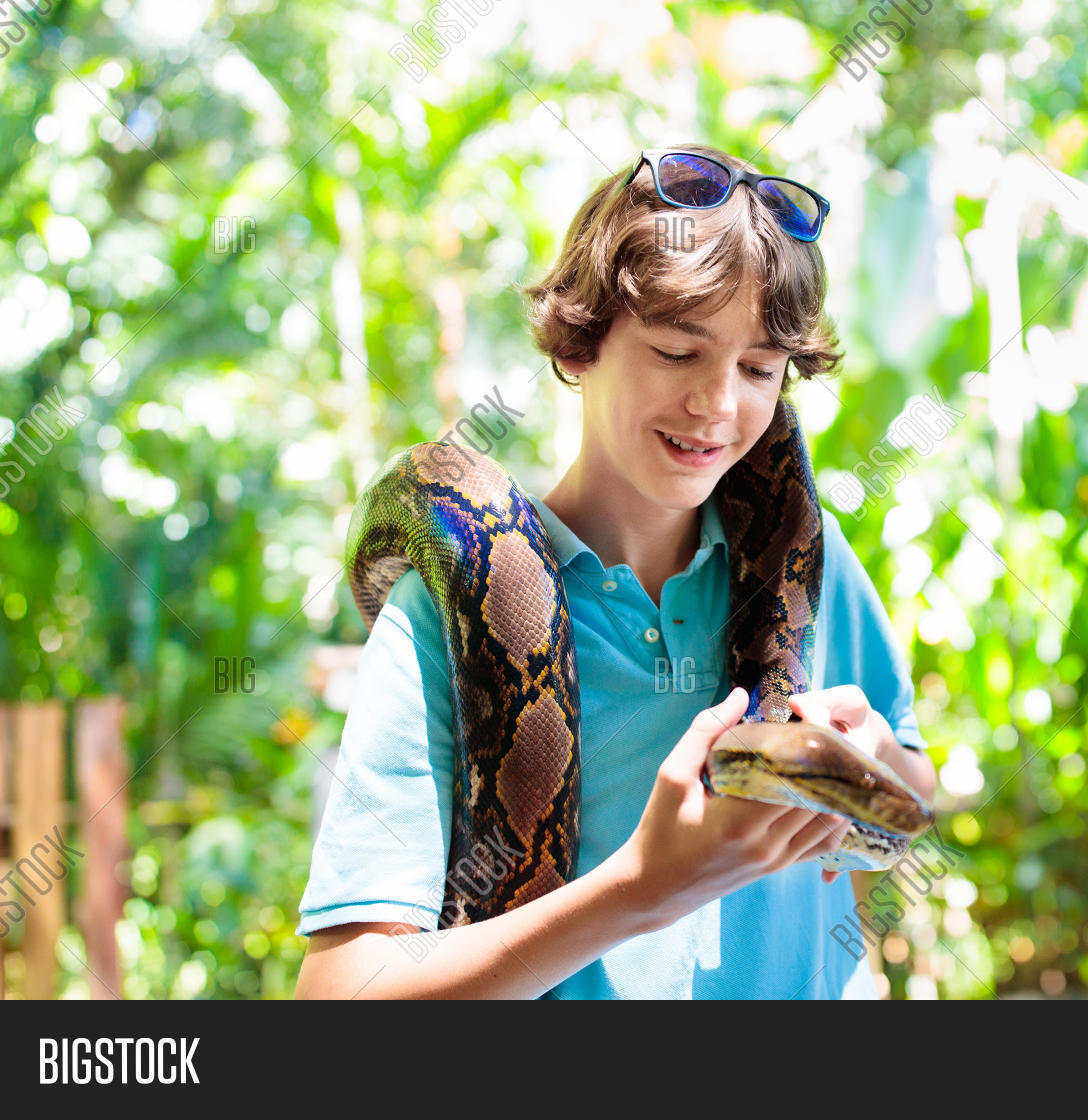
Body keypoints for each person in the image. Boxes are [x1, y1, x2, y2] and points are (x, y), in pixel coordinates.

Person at [293, 144, 936, 999]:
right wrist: (642, 889)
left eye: (758, 369)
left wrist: (873, 768)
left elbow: (912, 802)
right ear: (583, 342)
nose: (718, 405)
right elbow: (339, 996)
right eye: (678, 352)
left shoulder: (815, 562)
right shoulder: (434, 614)